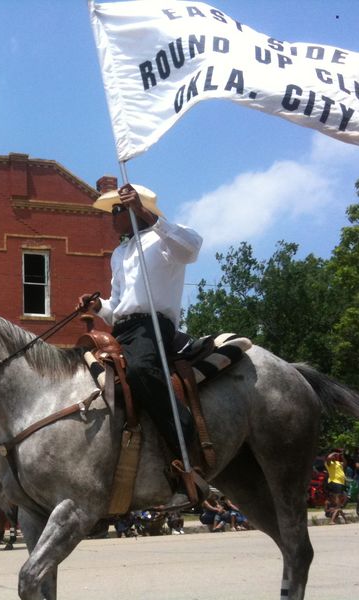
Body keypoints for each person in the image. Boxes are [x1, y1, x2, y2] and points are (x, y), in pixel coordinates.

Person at [78, 183, 202, 504]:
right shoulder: (119, 253)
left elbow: (192, 248)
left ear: (135, 208)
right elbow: (117, 304)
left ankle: (186, 446)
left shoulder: (164, 238)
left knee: (142, 370)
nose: (112, 218)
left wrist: (147, 215)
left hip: (155, 325)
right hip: (125, 329)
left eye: (117, 210)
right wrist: (97, 308)